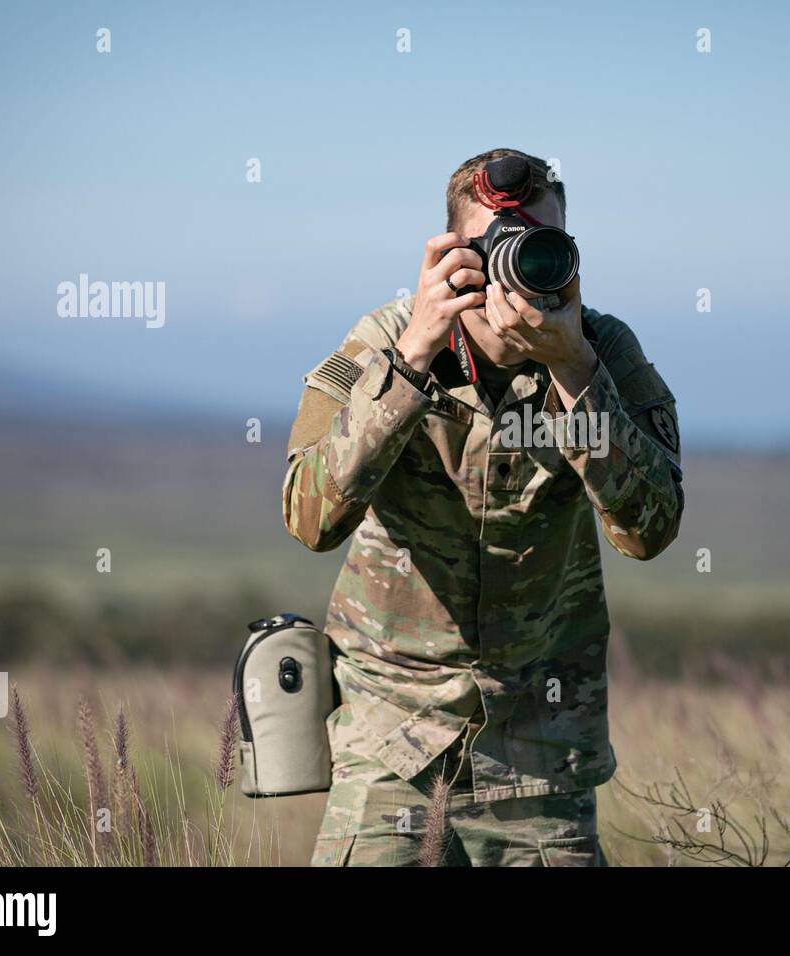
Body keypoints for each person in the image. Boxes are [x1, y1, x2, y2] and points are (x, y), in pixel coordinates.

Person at [282, 147, 683, 866]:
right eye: (497, 244)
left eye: (543, 245)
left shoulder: (600, 350)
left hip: (541, 754)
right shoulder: (384, 343)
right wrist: (411, 361)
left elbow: (650, 529)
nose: (520, 266)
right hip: (390, 741)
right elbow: (311, 519)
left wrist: (573, 371)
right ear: (448, 253)